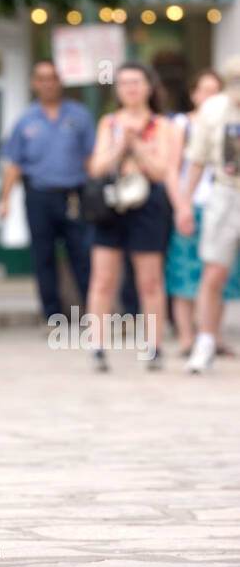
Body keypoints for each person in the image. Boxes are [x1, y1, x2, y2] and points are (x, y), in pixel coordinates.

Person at [84, 62, 172, 371]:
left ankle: (154, 346)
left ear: (149, 86)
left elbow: (162, 171)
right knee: (103, 278)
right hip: (113, 203)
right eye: (124, 83)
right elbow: (96, 167)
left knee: (149, 281)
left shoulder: (161, 125)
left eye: (136, 82)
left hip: (147, 204)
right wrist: (120, 146)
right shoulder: (109, 123)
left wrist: (138, 146)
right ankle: (96, 347)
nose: (130, 89)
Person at [0, 60, 95, 321]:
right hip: (38, 196)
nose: (47, 83)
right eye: (41, 78)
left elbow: (91, 158)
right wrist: (4, 200)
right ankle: (53, 316)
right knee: (43, 257)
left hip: (74, 195)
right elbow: (14, 164)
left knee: (82, 255)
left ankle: (94, 313)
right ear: (34, 83)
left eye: (52, 78)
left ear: (60, 81)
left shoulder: (79, 115)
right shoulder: (25, 120)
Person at [164, 69, 240, 357]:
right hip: (206, 203)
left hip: (224, 198)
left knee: (225, 275)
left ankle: (212, 337)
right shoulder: (191, 121)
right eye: (203, 89)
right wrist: (182, 203)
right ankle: (192, 339)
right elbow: (184, 166)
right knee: (194, 272)